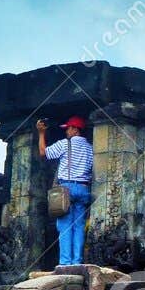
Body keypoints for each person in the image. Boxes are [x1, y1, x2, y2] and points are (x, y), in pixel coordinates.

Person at [37, 114, 93, 266]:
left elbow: (44, 152)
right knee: (79, 226)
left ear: (75, 130)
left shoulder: (64, 144)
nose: (66, 132)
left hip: (67, 188)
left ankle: (66, 262)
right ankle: (77, 262)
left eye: (68, 129)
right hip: (83, 188)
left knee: (65, 226)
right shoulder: (90, 148)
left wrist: (41, 133)